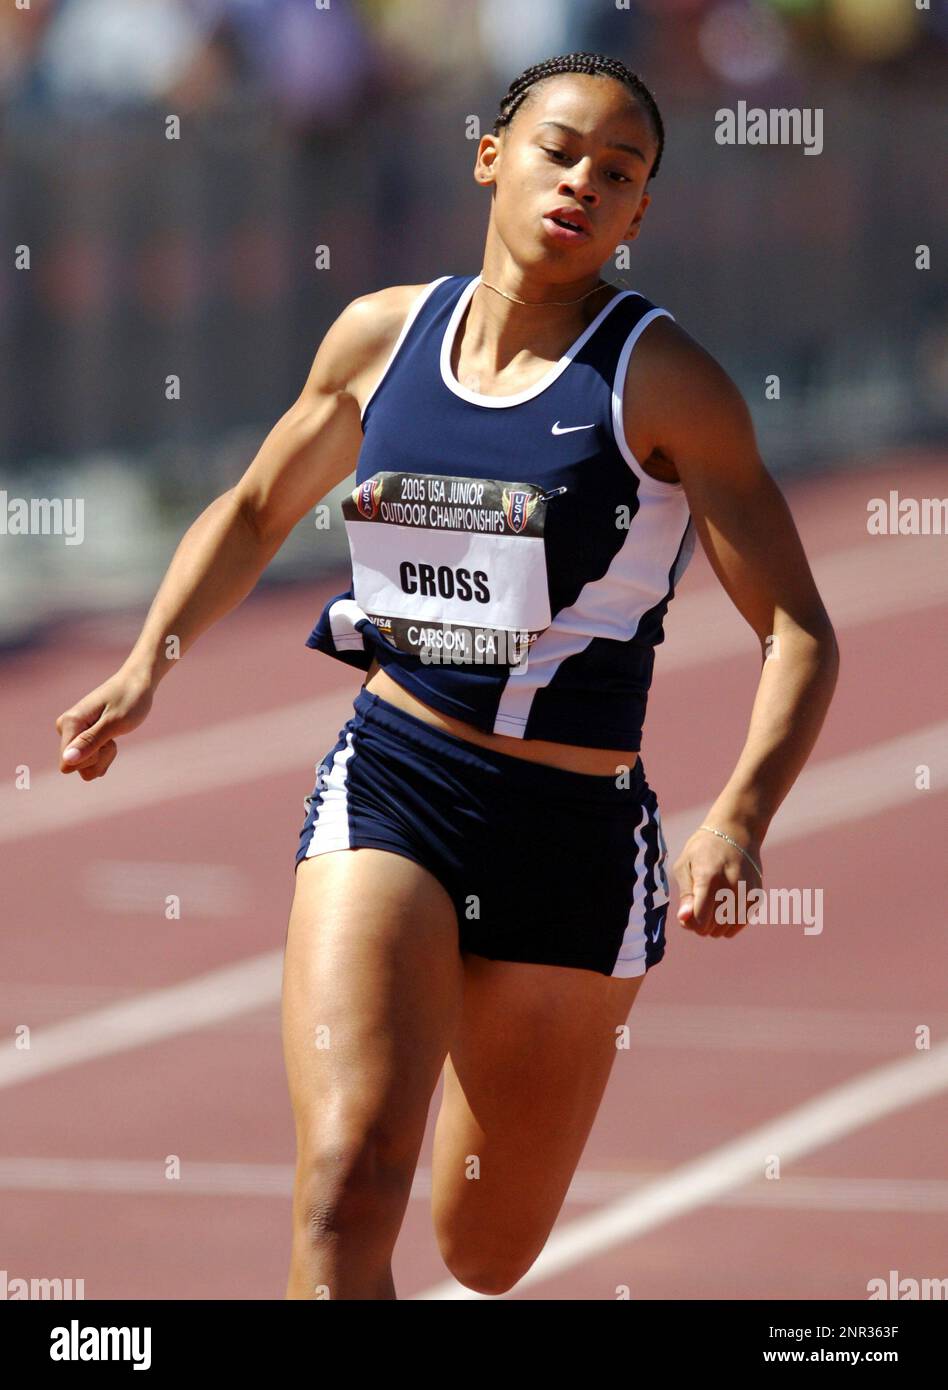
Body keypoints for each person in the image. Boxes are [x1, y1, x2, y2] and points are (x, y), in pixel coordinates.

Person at [55, 52, 839, 1300]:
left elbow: (798, 628)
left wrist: (740, 817)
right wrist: (148, 667)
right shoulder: (381, 335)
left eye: (619, 172)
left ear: (640, 216)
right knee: (346, 1186)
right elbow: (258, 507)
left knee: (485, 1249)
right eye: (559, 148)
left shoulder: (663, 382)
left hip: (573, 836)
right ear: (491, 155)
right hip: (397, 784)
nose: (583, 179)